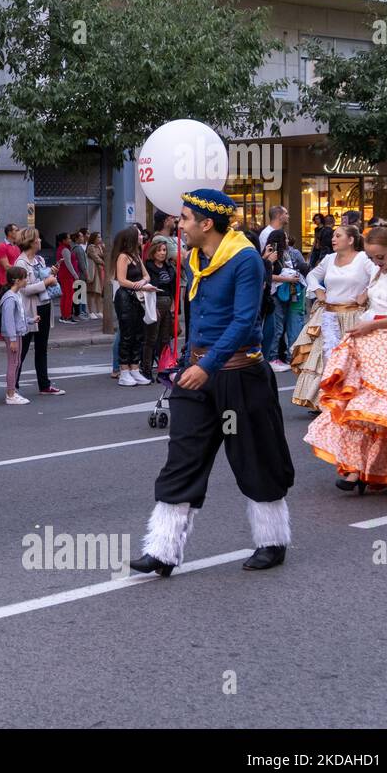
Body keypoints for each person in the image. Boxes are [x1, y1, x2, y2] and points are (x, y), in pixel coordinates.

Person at [131, 189, 293, 577]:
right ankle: (163, 550)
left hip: (238, 376)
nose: (179, 225)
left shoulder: (246, 260)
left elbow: (244, 322)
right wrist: (189, 363)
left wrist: (209, 366)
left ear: (206, 224)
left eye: (185, 218)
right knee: (183, 456)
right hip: (197, 376)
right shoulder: (192, 258)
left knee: (252, 455)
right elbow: (198, 316)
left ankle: (272, 540)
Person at [305, 222, 387, 494]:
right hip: (369, 341)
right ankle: (356, 471)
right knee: (358, 409)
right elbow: (373, 304)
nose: (377, 263)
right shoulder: (378, 270)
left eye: (381, 257)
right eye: (373, 258)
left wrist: (371, 325)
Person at [289, 224, 372, 411]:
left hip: (354, 317)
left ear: (351, 240)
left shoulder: (363, 259)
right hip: (329, 316)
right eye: (333, 236)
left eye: (338, 236)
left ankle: (353, 400)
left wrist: (366, 293)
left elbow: (379, 277)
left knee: (352, 360)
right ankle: (327, 400)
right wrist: (318, 290)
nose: (333, 239)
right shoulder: (329, 259)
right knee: (326, 358)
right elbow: (311, 276)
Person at [12, 228, 64, 395]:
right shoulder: (20, 263)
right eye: (38, 238)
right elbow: (24, 289)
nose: (41, 241)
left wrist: (51, 272)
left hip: (44, 306)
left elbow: (41, 276)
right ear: (32, 241)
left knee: (42, 348)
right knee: (23, 349)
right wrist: (46, 282)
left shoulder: (39, 259)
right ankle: (13, 387)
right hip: (29, 310)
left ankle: (44, 385)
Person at [112, 226, 155, 387]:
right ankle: (124, 370)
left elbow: (146, 275)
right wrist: (142, 286)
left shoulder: (136, 255)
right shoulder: (123, 257)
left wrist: (143, 283)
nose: (142, 237)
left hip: (137, 297)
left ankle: (135, 369)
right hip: (125, 298)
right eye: (138, 235)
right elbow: (122, 280)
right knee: (127, 334)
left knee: (138, 333)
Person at [260, 226, 303, 371]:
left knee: (279, 326)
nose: (287, 240)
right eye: (284, 237)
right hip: (274, 294)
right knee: (276, 327)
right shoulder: (271, 254)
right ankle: (272, 357)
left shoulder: (285, 254)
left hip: (282, 293)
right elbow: (268, 275)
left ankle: (275, 355)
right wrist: (287, 279)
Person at [141, 239, 176, 380]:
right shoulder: (148, 267)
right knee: (151, 339)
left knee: (165, 339)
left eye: (164, 250)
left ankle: (163, 370)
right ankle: (147, 369)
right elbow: (147, 289)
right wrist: (152, 307)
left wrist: (173, 306)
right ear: (153, 252)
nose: (162, 253)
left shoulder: (169, 267)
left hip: (167, 303)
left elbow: (172, 288)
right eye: (159, 250)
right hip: (154, 303)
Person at [0, 265, 30, 405]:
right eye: (25, 278)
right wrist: (13, 339)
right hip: (13, 335)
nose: (26, 280)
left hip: (17, 333)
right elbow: (9, 320)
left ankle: (13, 391)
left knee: (17, 362)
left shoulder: (15, 295)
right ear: (17, 281)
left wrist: (31, 320)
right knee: (13, 363)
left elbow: (17, 317)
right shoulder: (10, 298)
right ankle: (10, 394)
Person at [55, 233, 77, 323]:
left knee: (65, 295)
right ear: (63, 240)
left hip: (63, 275)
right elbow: (68, 263)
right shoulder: (65, 249)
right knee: (69, 295)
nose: (70, 240)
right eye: (68, 238)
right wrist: (75, 274)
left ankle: (64, 315)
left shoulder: (61, 248)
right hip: (67, 276)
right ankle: (67, 316)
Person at [84, 231, 105, 319]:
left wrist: (104, 248)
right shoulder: (91, 247)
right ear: (94, 239)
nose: (100, 239)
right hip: (93, 271)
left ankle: (99, 311)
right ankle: (91, 311)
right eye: (98, 237)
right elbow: (96, 258)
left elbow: (104, 255)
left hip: (100, 271)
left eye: (100, 237)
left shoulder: (100, 246)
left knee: (99, 292)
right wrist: (105, 263)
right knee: (92, 292)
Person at [0, 223, 21, 289]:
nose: (19, 232)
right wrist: (22, 270)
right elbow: (7, 266)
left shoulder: (17, 247)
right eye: (16, 230)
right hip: (5, 283)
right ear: (9, 233)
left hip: (16, 281)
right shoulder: (2, 246)